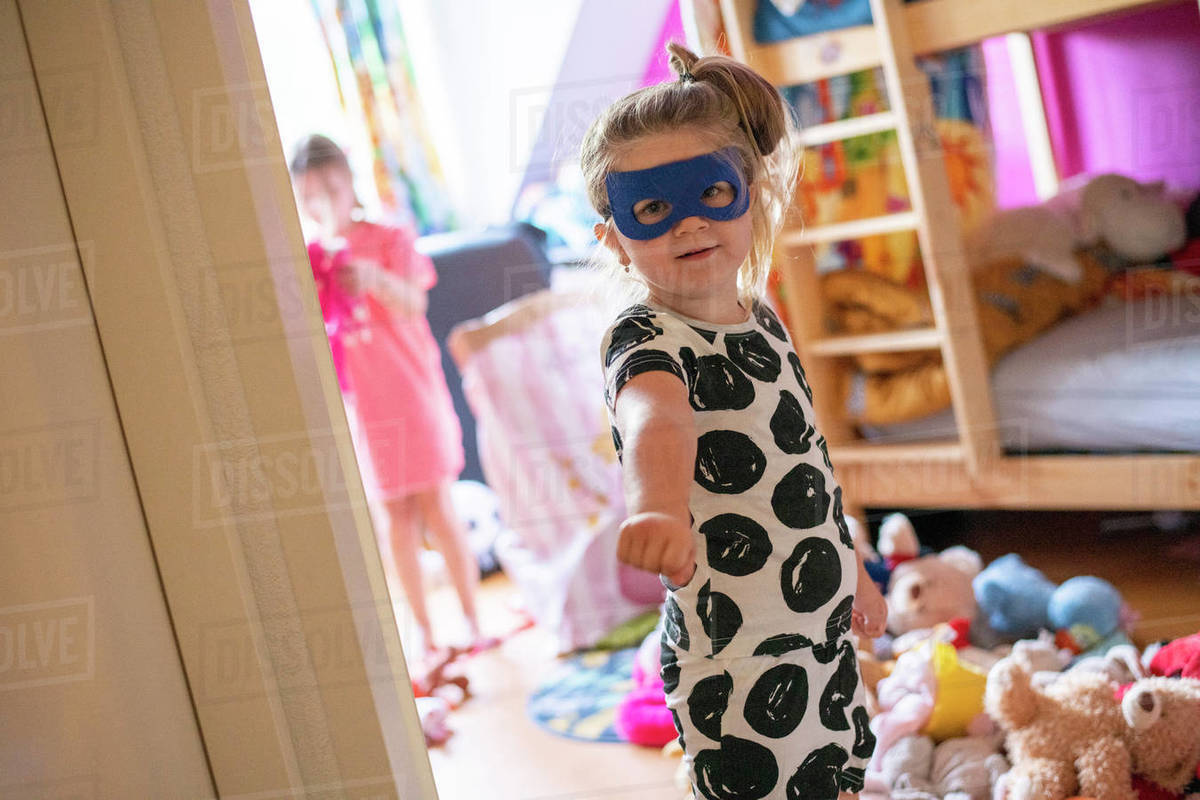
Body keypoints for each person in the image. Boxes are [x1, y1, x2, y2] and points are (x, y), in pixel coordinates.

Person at [582, 44, 888, 800]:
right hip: (737, 649)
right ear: (615, 237)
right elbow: (658, 422)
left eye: (708, 193)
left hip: (816, 625)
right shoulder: (644, 339)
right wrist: (653, 505)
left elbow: (805, 462)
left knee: (832, 766)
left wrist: (848, 564)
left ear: (747, 193)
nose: (686, 223)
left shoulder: (763, 320)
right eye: (651, 208)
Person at [290, 134, 488, 658]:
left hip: (411, 389)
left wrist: (374, 277)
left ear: (349, 180)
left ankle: (471, 619)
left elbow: (412, 304)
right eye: (309, 194)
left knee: (438, 506)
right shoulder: (305, 259)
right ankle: (424, 633)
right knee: (394, 517)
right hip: (364, 406)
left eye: (331, 187)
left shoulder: (389, 237)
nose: (324, 201)